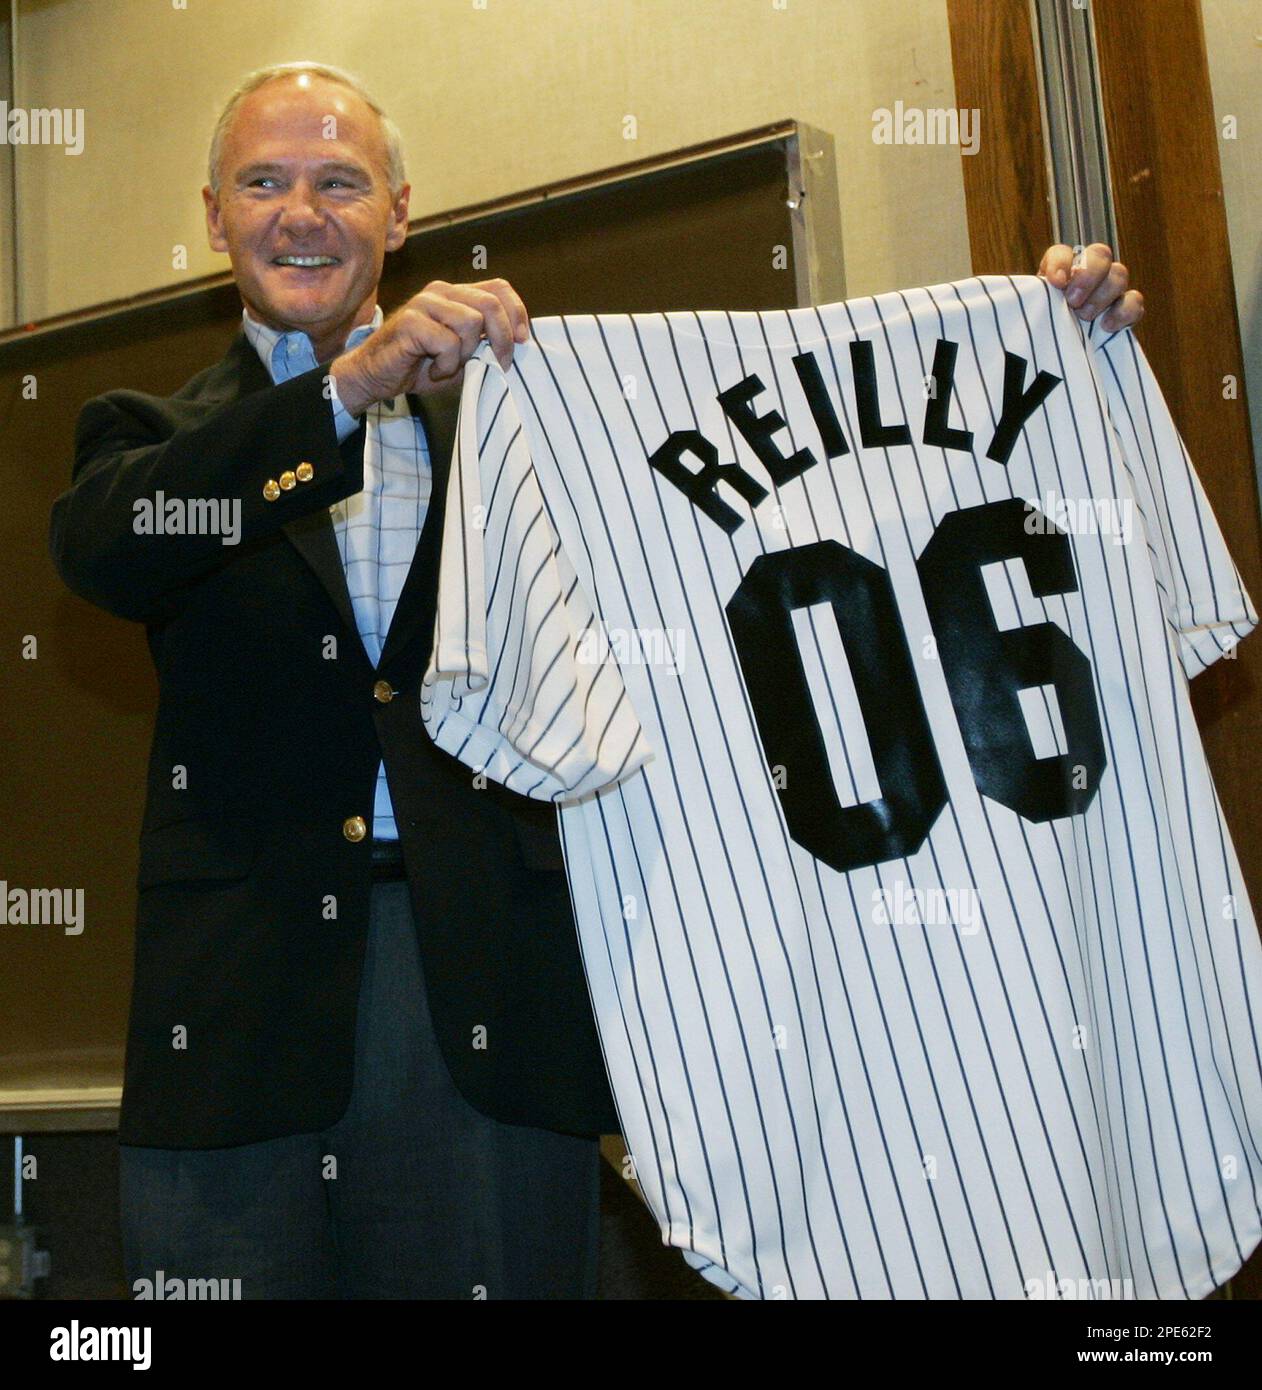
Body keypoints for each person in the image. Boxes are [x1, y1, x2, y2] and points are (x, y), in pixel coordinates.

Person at [47, 60, 1145, 1301]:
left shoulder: (536, 417)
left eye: (338, 181)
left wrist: (1037, 333)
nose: (301, 212)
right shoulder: (145, 431)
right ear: (214, 215)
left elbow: (809, 494)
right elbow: (112, 549)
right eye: (265, 181)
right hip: (239, 1012)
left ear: (398, 214)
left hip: (492, 993)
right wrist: (343, 390)